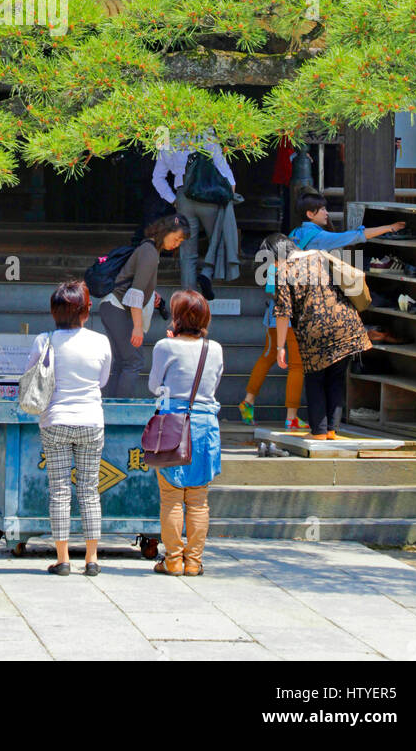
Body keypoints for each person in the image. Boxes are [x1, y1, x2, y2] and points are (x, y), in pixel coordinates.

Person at [25, 279, 111, 576]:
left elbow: (32, 374)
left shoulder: (43, 340)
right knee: (89, 490)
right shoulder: (101, 342)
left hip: (55, 421)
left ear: (54, 312)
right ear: (87, 311)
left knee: (59, 490)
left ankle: (62, 559)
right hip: (91, 421)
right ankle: (92, 558)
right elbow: (103, 381)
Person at [262, 232, 372, 441]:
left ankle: (320, 432)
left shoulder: (285, 272)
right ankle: (332, 430)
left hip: (316, 332)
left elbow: (283, 313)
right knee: (336, 378)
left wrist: (280, 347)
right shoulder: (321, 257)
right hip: (347, 326)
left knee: (315, 379)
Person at [148, 290, 223, 576]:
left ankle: (173, 560)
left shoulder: (164, 346)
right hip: (205, 424)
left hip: (172, 424)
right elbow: (213, 384)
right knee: (198, 499)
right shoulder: (214, 349)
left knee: (171, 497)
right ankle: (194, 562)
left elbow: (154, 386)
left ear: (177, 318)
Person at [100, 214, 190, 398]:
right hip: (118, 309)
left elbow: (138, 288)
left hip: (112, 307)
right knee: (133, 362)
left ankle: (112, 411)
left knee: (123, 363)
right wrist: (138, 327)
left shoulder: (149, 248)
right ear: (167, 231)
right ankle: (119, 414)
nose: (177, 244)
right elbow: (136, 292)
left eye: (180, 241)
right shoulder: (149, 252)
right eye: (177, 238)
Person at [152, 136, 236, 299]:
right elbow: (222, 167)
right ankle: (207, 272)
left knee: (186, 251)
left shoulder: (167, 137)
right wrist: (231, 194)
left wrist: (174, 199)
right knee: (218, 238)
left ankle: (188, 299)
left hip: (183, 196)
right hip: (209, 194)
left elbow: (157, 178)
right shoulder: (206, 133)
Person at [239, 255, 305, 430]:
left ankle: (248, 401)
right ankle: (291, 418)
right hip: (293, 318)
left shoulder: (274, 263)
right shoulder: (300, 260)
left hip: (272, 315)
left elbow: (271, 290)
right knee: (297, 366)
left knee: (267, 357)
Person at [291, 188, 405, 255]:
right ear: (310, 214)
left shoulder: (294, 233)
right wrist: (390, 227)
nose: (327, 213)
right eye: (322, 209)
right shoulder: (319, 237)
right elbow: (355, 236)